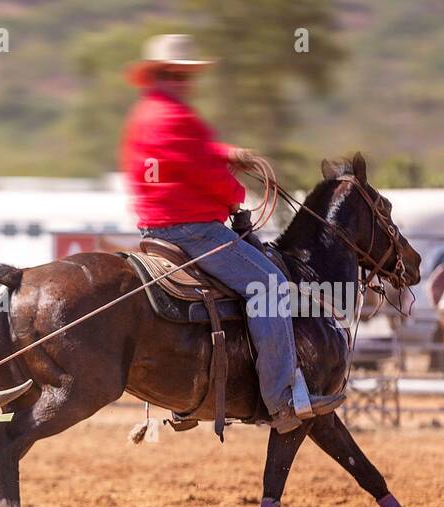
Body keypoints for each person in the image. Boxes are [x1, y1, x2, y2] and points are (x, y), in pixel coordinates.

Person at [119, 34, 342, 433]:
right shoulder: (177, 117)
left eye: (184, 75)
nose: (183, 82)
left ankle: (190, 396)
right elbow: (203, 171)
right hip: (192, 230)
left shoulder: (147, 115)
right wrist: (237, 195)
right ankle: (282, 399)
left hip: (156, 226)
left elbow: (195, 153)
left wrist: (229, 154)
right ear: (162, 75)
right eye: (177, 74)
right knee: (269, 284)